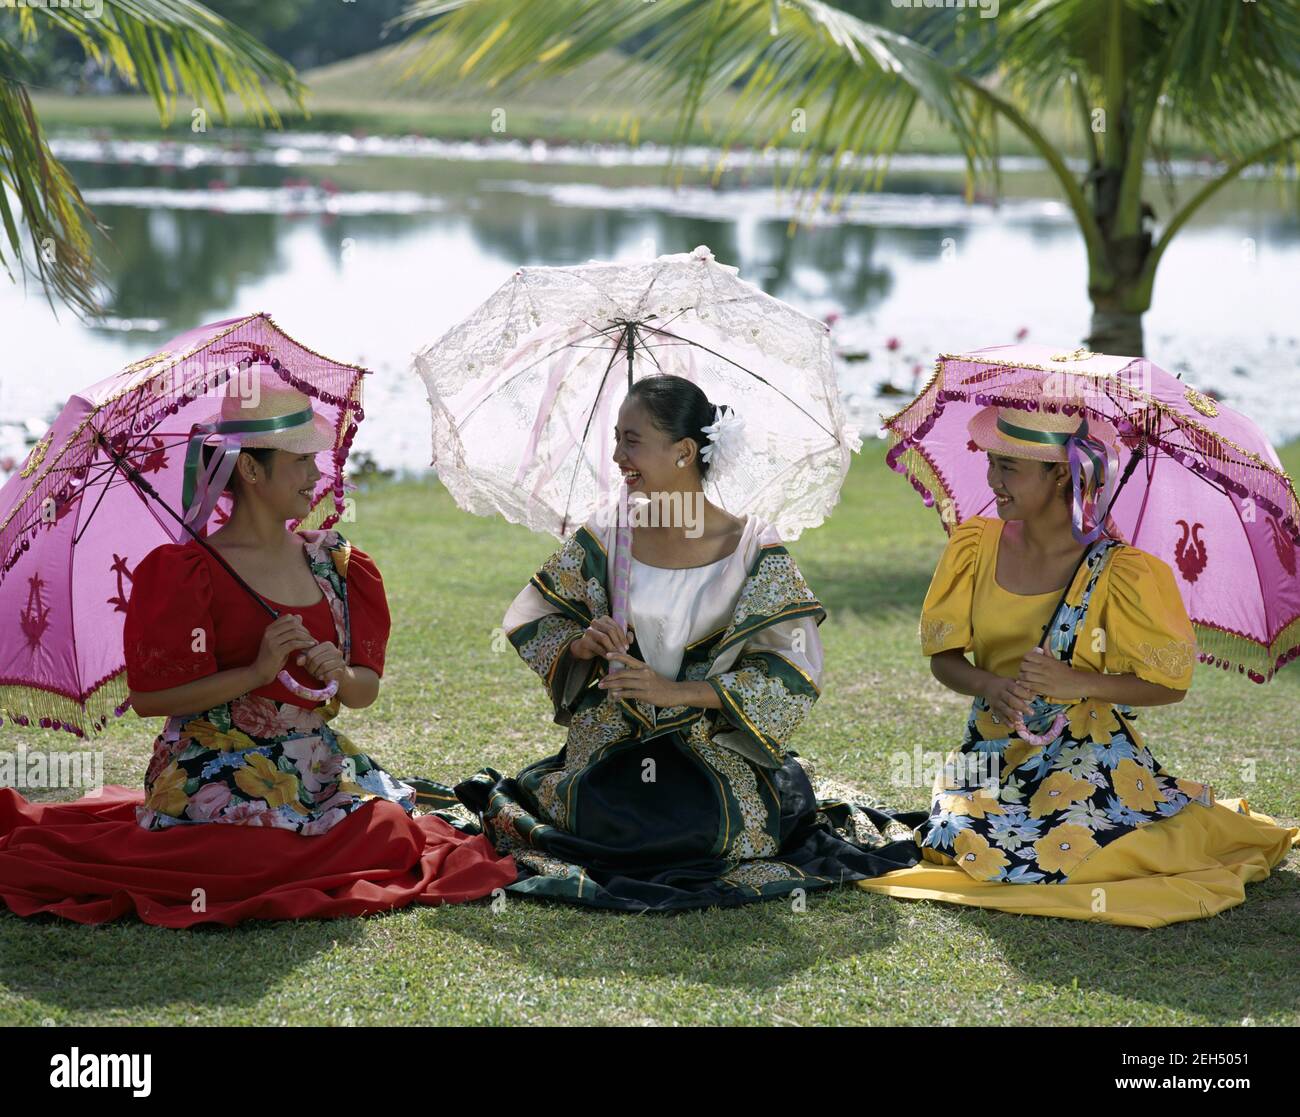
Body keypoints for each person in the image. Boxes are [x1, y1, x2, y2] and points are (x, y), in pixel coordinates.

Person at [0, 375, 514, 926]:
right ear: (250, 469)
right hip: (212, 759)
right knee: (244, 850)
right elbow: (153, 699)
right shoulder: (186, 571)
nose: (315, 475)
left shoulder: (336, 563)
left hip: (313, 757)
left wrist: (338, 670)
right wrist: (257, 670)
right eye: (298, 462)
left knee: (387, 830)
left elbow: (363, 693)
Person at [414, 374, 921, 912]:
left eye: (631, 440)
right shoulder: (610, 532)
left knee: (702, 821)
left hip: (709, 741)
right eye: (615, 438)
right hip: (616, 735)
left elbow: (789, 670)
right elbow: (539, 617)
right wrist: (585, 645)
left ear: (683, 452)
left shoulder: (750, 547)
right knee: (609, 818)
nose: (615, 456)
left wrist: (677, 692)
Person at [856, 402, 1299, 927]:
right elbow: (944, 660)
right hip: (994, 747)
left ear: (1060, 474)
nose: (993, 479)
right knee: (954, 838)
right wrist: (990, 685)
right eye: (991, 462)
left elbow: (1169, 686)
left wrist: (1078, 681)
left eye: (1009, 468)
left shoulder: (1122, 571)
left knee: (1083, 850)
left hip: (1088, 750)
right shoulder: (974, 546)